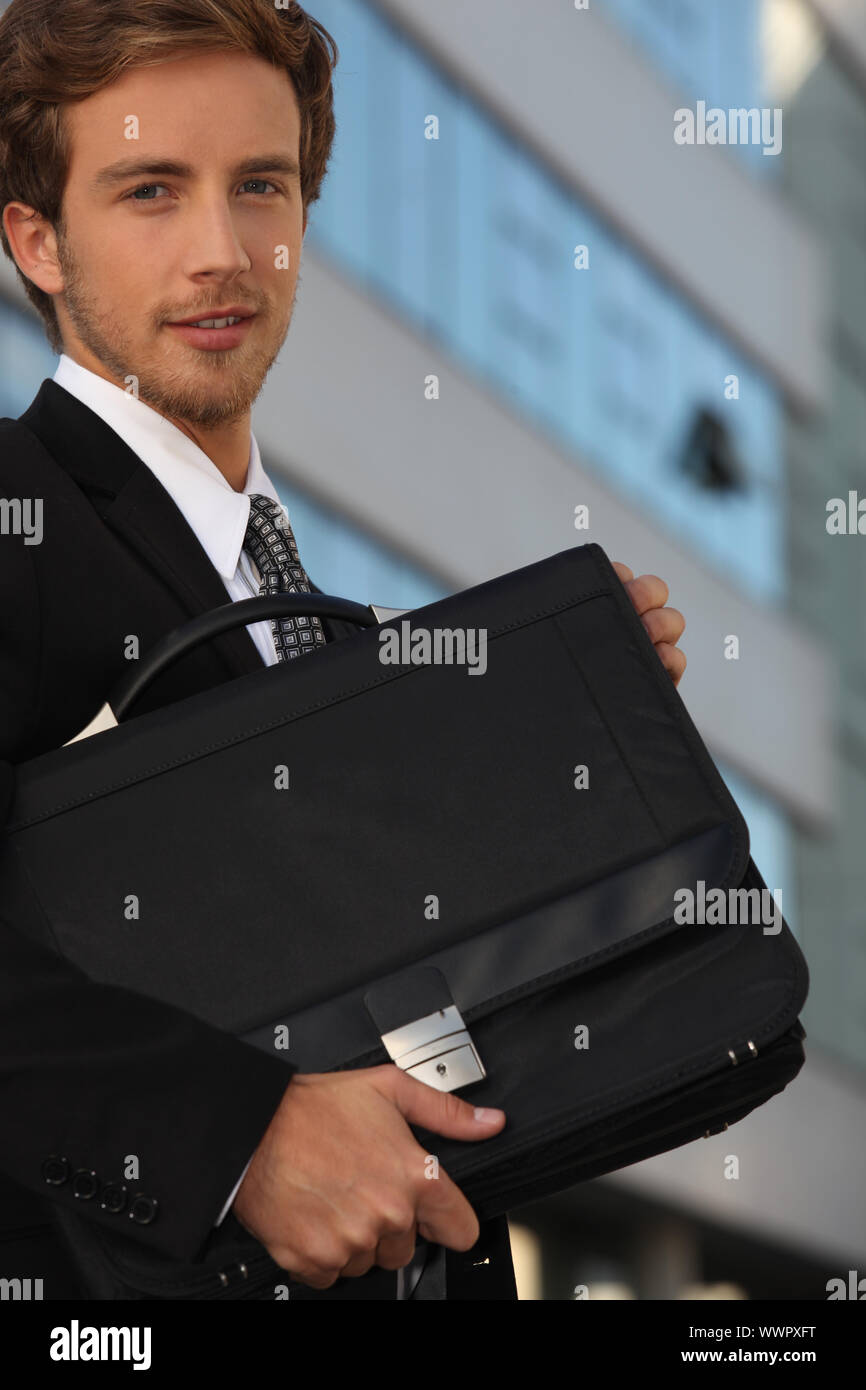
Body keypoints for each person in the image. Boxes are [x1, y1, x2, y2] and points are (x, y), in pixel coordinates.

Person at [0, 0, 686, 1300]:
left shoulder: (316, 617)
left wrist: (567, 742)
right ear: (37, 238)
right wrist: (232, 1137)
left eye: (259, 187)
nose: (221, 252)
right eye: (151, 190)